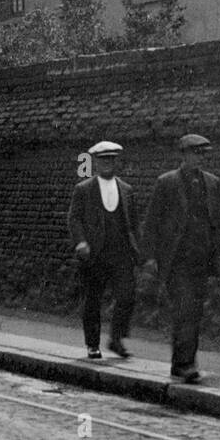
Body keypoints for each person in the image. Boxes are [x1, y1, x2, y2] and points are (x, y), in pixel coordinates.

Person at [141, 133, 220, 384]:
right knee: (185, 309)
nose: (199, 158)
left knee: (194, 312)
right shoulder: (167, 182)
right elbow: (152, 222)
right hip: (176, 261)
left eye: (203, 154)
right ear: (183, 154)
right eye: (195, 153)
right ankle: (186, 364)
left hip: (202, 260)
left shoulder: (212, 183)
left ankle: (179, 364)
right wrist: (150, 257)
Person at [68, 141, 142, 360]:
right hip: (95, 254)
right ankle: (92, 344)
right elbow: (74, 218)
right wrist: (81, 242)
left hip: (121, 253)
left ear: (116, 161)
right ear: (96, 162)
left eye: (111, 160)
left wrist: (138, 247)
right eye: (102, 160)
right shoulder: (84, 189)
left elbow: (134, 222)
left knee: (127, 296)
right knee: (93, 300)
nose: (107, 164)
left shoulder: (127, 189)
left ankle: (116, 339)